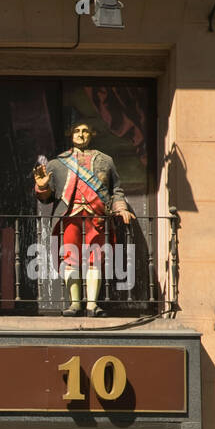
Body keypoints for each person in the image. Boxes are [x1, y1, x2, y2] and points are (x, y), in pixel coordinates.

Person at [33, 120, 136, 316]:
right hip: (69, 218)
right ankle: (75, 304)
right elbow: (46, 199)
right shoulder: (56, 164)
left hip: (96, 217)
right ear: (70, 135)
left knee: (94, 260)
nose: (81, 134)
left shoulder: (106, 161)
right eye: (77, 131)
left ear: (92, 134)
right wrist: (42, 186)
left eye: (85, 131)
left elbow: (116, 190)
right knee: (70, 259)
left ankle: (92, 305)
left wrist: (120, 208)